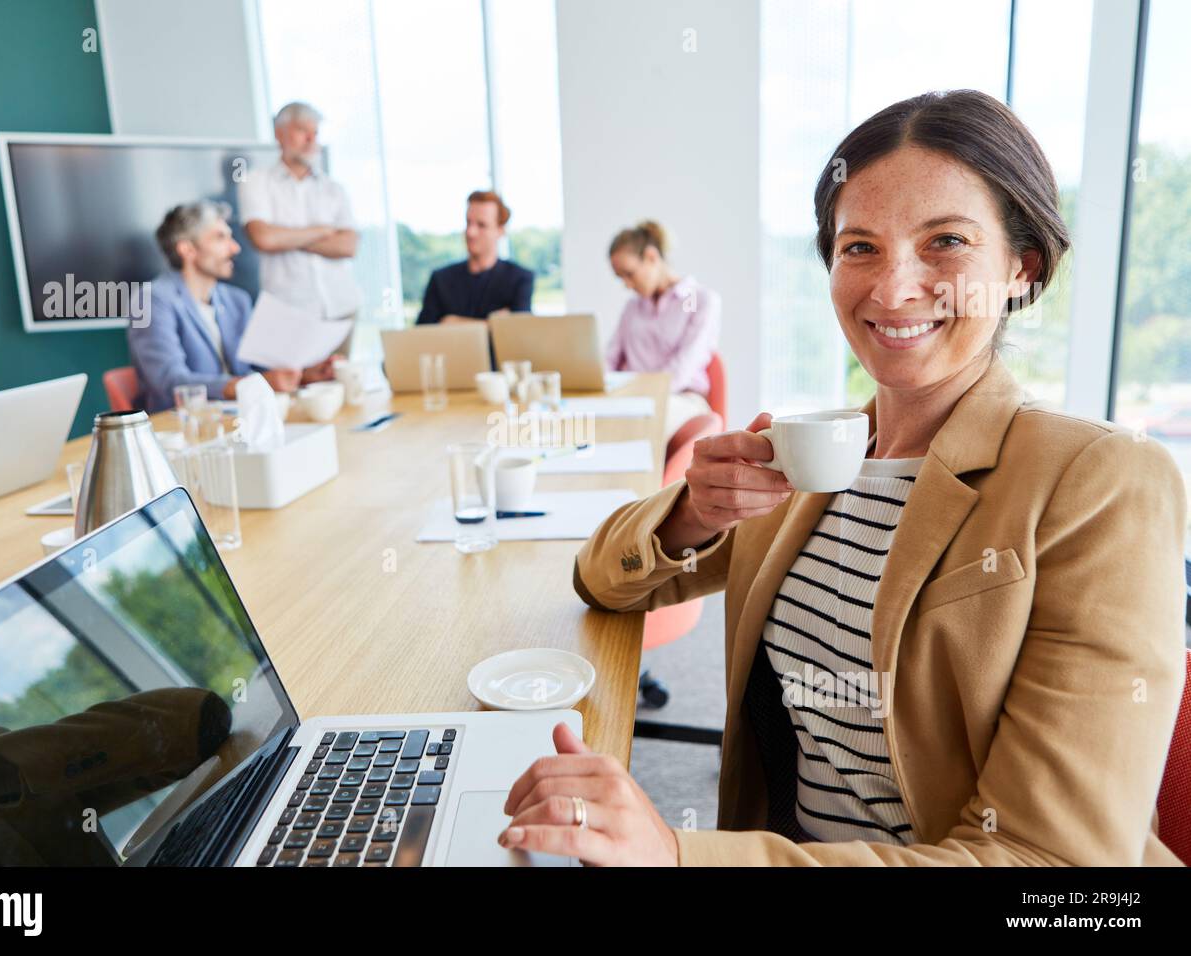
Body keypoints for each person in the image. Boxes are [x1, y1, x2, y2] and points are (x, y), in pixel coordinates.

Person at [497, 90, 1187, 866]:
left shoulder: (1099, 480)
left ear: (1020, 267)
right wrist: (693, 510)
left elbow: (1050, 870)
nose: (892, 289)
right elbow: (601, 579)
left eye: (946, 242)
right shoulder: (814, 452)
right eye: (859, 247)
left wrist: (680, 856)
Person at [129, 200, 304, 413]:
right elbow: (169, 381)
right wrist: (244, 386)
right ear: (188, 249)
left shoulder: (237, 300)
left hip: (243, 420)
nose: (235, 248)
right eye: (220, 237)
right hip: (183, 427)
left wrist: (306, 373)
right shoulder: (150, 300)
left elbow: (260, 365)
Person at [239, 101, 361, 373]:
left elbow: (348, 246)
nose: (311, 139)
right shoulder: (256, 182)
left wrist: (289, 237)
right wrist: (321, 230)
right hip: (289, 314)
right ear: (280, 134)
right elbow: (265, 239)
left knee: (337, 390)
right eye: (303, 131)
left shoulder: (334, 188)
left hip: (341, 308)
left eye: (315, 133)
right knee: (293, 391)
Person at [605, 221, 720, 439]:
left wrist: (639, 394)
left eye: (629, 274)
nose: (627, 285)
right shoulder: (632, 307)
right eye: (621, 278)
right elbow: (609, 358)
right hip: (633, 400)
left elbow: (684, 366)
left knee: (643, 420)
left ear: (651, 257)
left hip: (683, 400)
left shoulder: (699, 300)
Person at [415, 190, 534, 326]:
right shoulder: (440, 279)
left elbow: (518, 334)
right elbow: (422, 334)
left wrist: (451, 322)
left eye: (481, 225)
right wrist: (493, 325)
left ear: (500, 230)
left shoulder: (520, 278)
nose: (470, 232)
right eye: (468, 222)